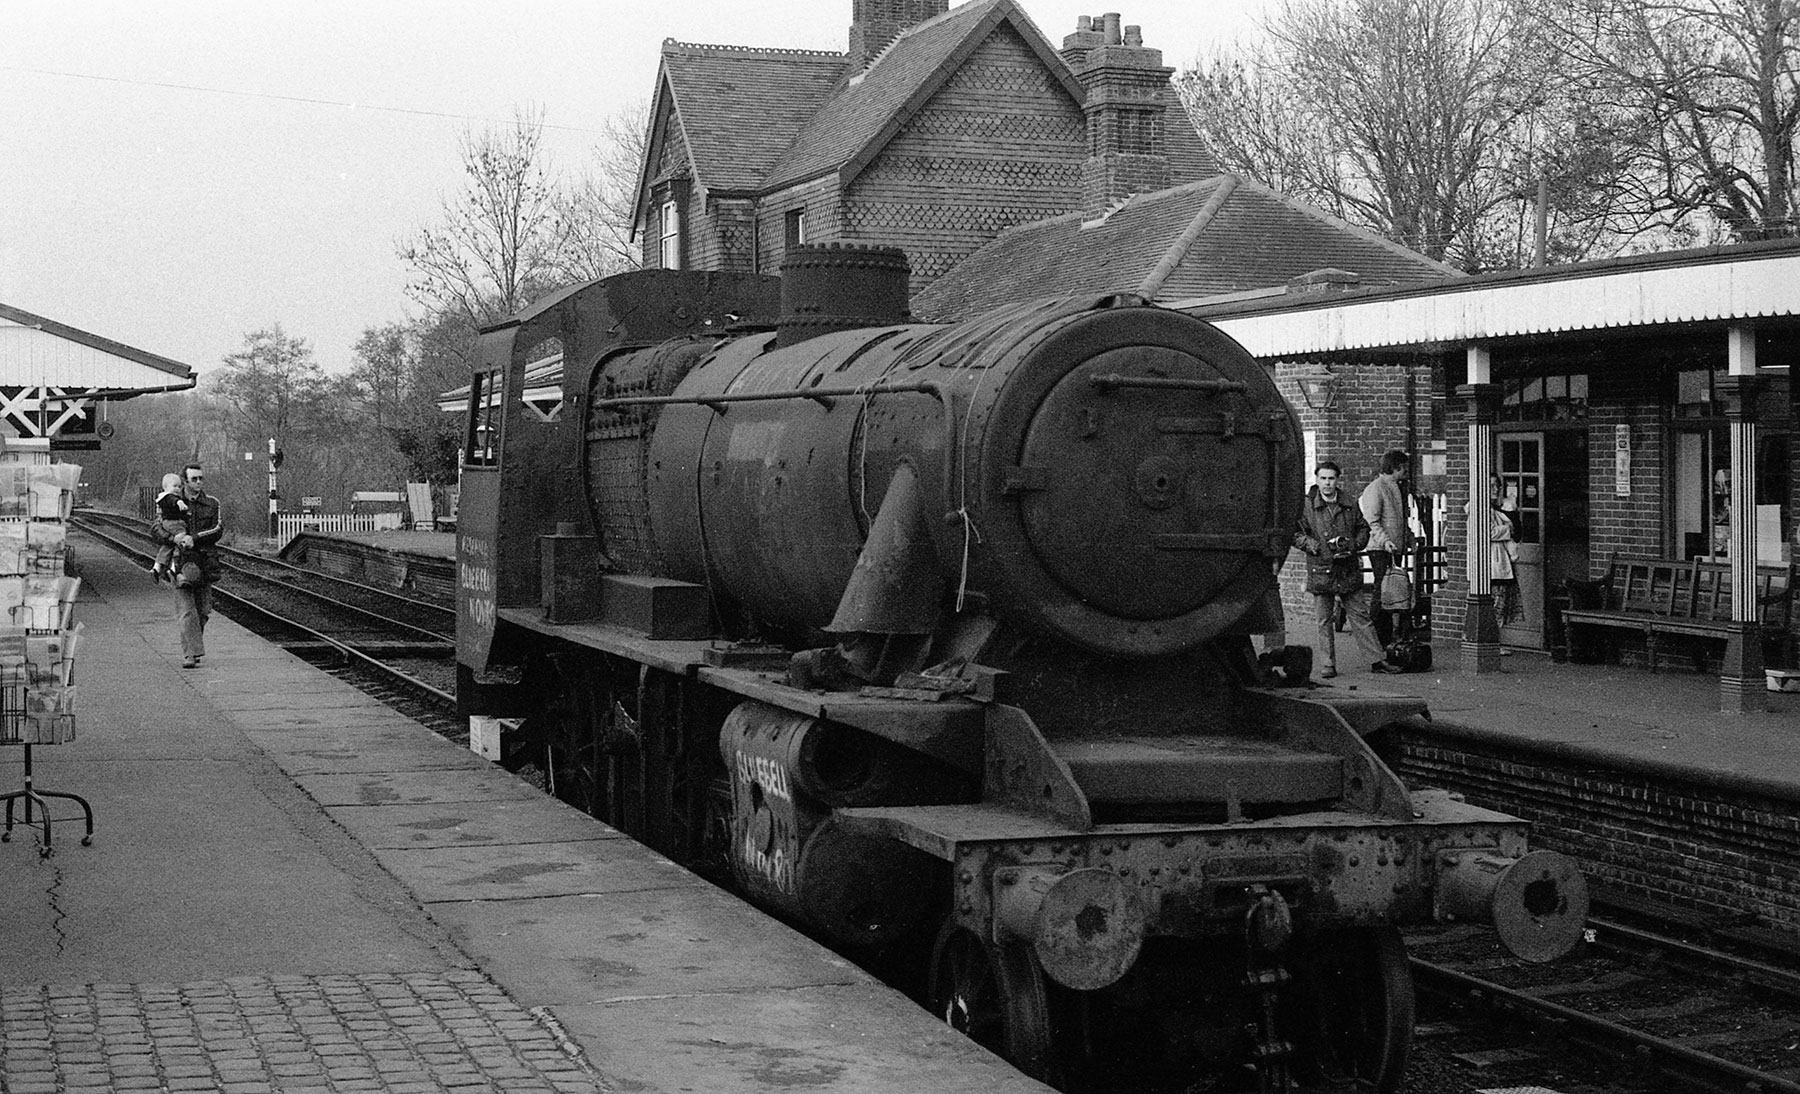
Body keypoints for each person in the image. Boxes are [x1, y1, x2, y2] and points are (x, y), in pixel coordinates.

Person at [1296, 462, 1396, 677]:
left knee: (1360, 616)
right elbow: (1295, 534)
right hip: (1321, 568)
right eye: (1323, 478)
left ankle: (1376, 660)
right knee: (1324, 620)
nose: (1327, 483)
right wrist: (1312, 545)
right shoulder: (1306, 506)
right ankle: (1328, 664)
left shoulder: (1349, 503)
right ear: (1317, 479)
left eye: (1331, 478)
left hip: (1347, 567)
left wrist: (1353, 545)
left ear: (1337, 480)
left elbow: (1363, 528)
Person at [155, 463, 222, 668]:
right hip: (179, 561)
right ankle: (190, 655)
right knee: (186, 610)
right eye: (194, 479)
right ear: (185, 481)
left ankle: (193, 647)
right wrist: (174, 539)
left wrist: (194, 538)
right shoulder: (170, 499)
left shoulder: (212, 503)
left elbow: (218, 530)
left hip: (204, 562)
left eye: (201, 478)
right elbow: (156, 529)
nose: (199, 482)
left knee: (203, 611)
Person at [1359, 449, 1413, 647]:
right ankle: (1374, 636)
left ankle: (1385, 635)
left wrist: (1409, 538)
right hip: (1381, 548)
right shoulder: (1376, 488)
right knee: (1382, 590)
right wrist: (1386, 541)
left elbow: (1399, 520)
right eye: (1404, 468)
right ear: (1395, 468)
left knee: (1389, 591)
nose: (1407, 471)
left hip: (1391, 547)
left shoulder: (1395, 487)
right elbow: (1372, 521)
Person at [149, 473, 190, 584]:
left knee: (167, 546)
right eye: (174, 486)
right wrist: (180, 502)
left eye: (179, 486)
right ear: (166, 487)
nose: (177, 489)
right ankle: (173, 567)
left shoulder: (162, 498)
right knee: (181, 541)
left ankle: (156, 567)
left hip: (168, 524)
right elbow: (172, 500)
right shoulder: (168, 497)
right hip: (174, 523)